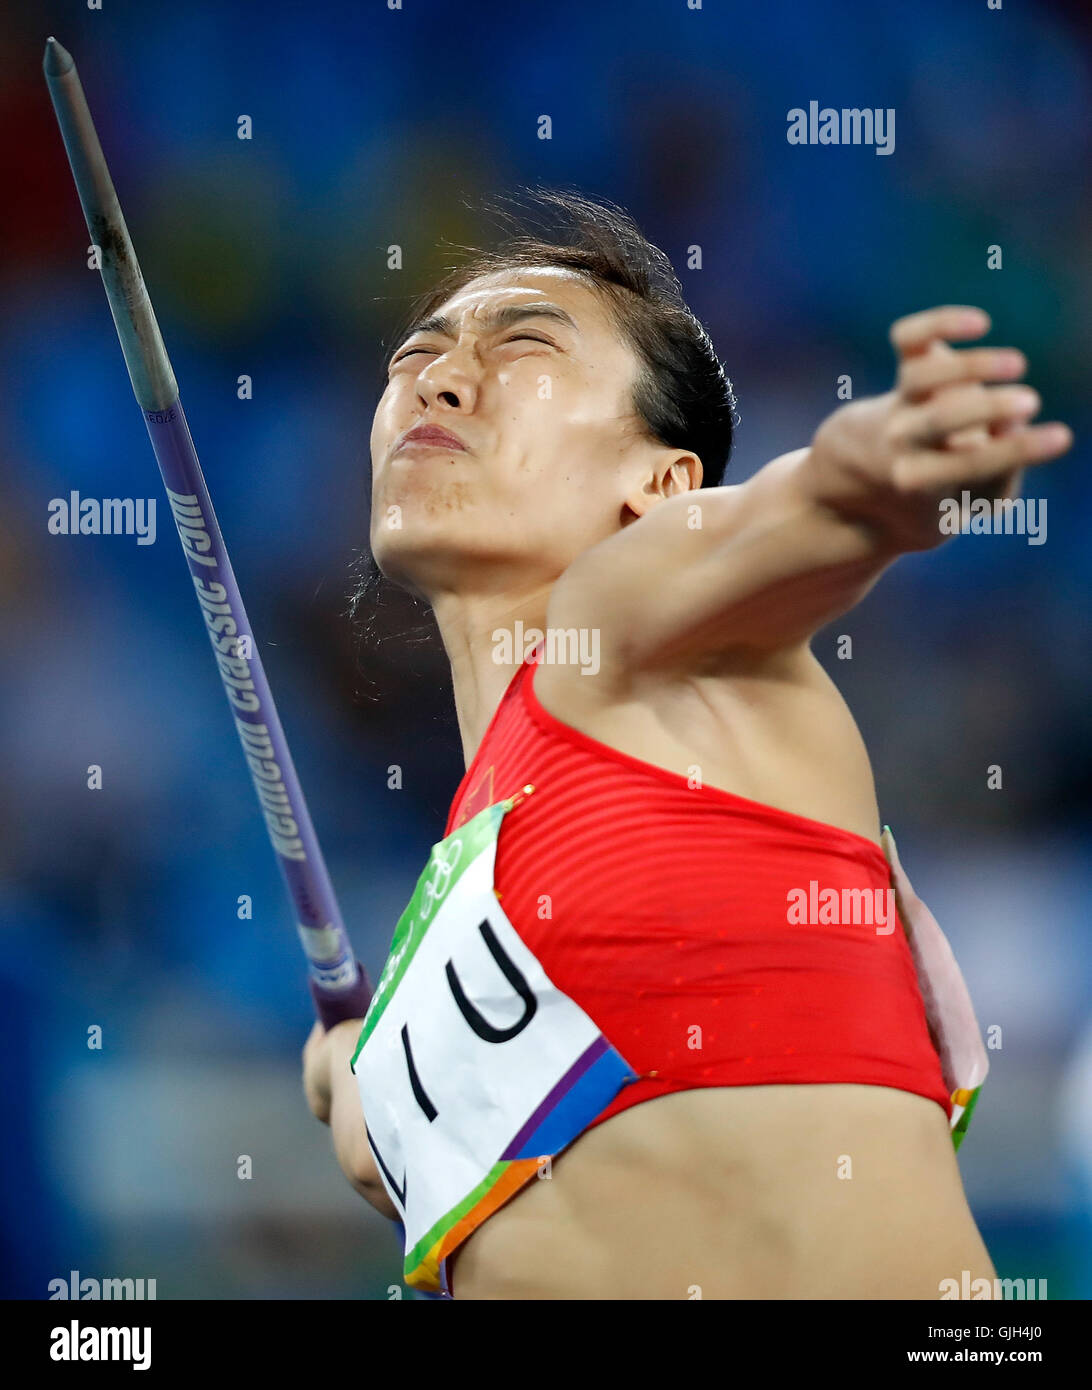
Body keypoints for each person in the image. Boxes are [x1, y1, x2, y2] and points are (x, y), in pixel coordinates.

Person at [302, 189, 1072, 1300]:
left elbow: (802, 508)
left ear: (661, 488)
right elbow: (374, 1131)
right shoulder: (450, 925)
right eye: (417, 354)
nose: (440, 375)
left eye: (521, 346)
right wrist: (340, 1069)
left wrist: (889, 467)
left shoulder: (623, 618)